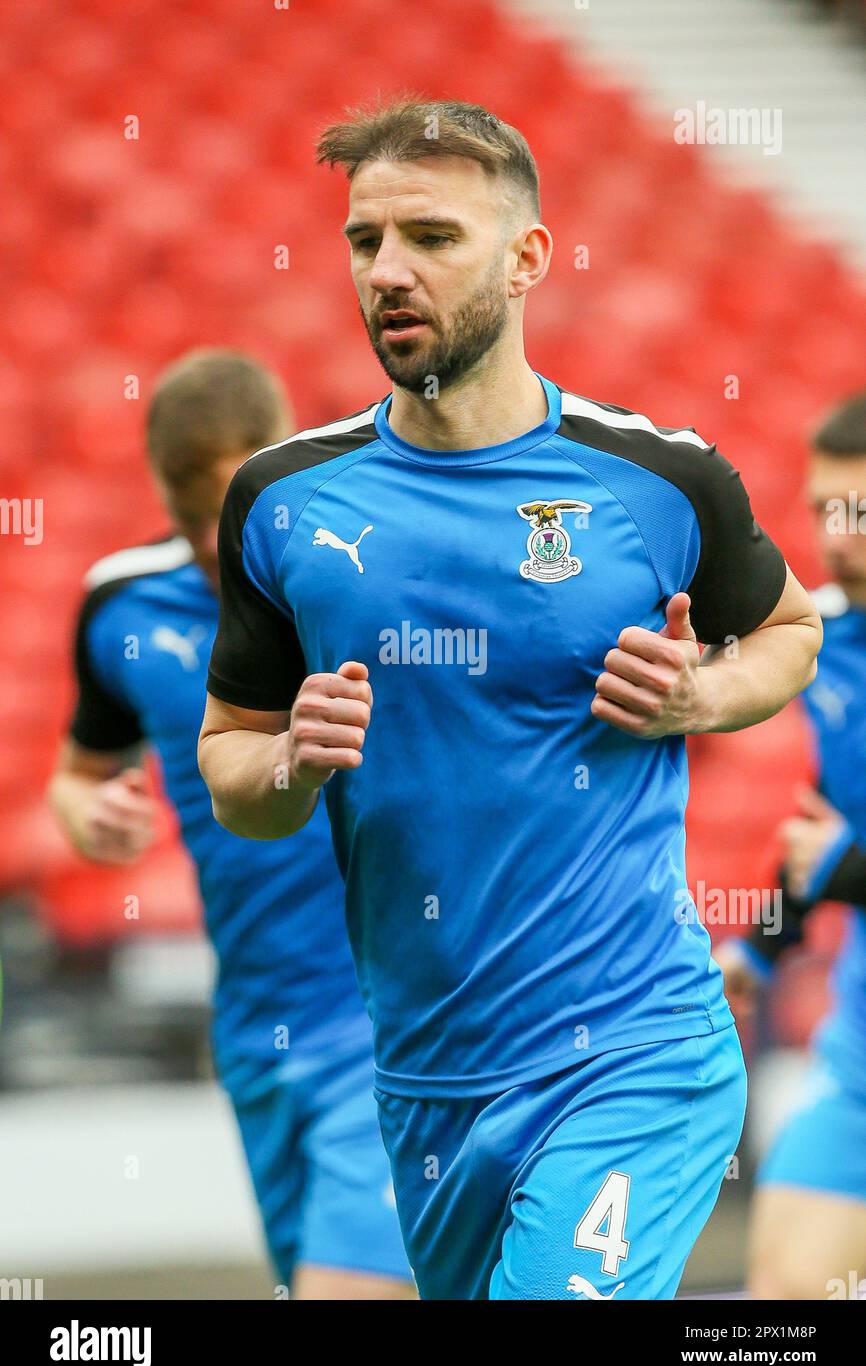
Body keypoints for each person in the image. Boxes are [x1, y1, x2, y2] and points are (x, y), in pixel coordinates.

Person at [198, 100, 822, 1300]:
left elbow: (788, 633)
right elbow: (234, 768)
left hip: (633, 1050)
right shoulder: (282, 502)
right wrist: (289, 763)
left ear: (527, 257)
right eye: (364, 240)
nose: (387, 271)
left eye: (431, 237)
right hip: (427, 1081)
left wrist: (701, 694)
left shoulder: (657, 478)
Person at [50, 349, 412, 1300]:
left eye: (234, 515)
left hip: (388, 1024)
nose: (216, 547)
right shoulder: (122, 605)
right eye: (190, 518)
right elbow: (77, 776)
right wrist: (93, 815)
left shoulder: (369, 583)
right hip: (256, 1034)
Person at [717, 392, 866, 1300]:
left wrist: (854, 871)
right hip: (859, 1065)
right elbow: (827, 829)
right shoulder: (825, 641)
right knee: (782, 1302)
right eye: (823, 510)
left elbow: (846, 859)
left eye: (862, 513)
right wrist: (761, 950)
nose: (837, 538)